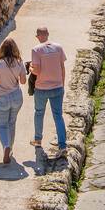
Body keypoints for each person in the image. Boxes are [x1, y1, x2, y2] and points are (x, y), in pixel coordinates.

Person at [0, 38, 29, 166]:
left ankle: (6, 146)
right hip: (16, 97)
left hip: (2, 98)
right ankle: (10, 149)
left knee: (2, 125)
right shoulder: (19, 62)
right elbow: (23, 82)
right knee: (12, 123)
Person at [29, 27, 67, 156]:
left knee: (39, 113)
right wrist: (62, 84)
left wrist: (30, 68)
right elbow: (62, 68)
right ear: (48, 34)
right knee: (58, 116)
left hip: (41, 88)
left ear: (38, 36)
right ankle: (62, 146)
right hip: (57, 87)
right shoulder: (58, 47)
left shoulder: (36, 50)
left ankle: (38, 140)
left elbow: (37, 71)